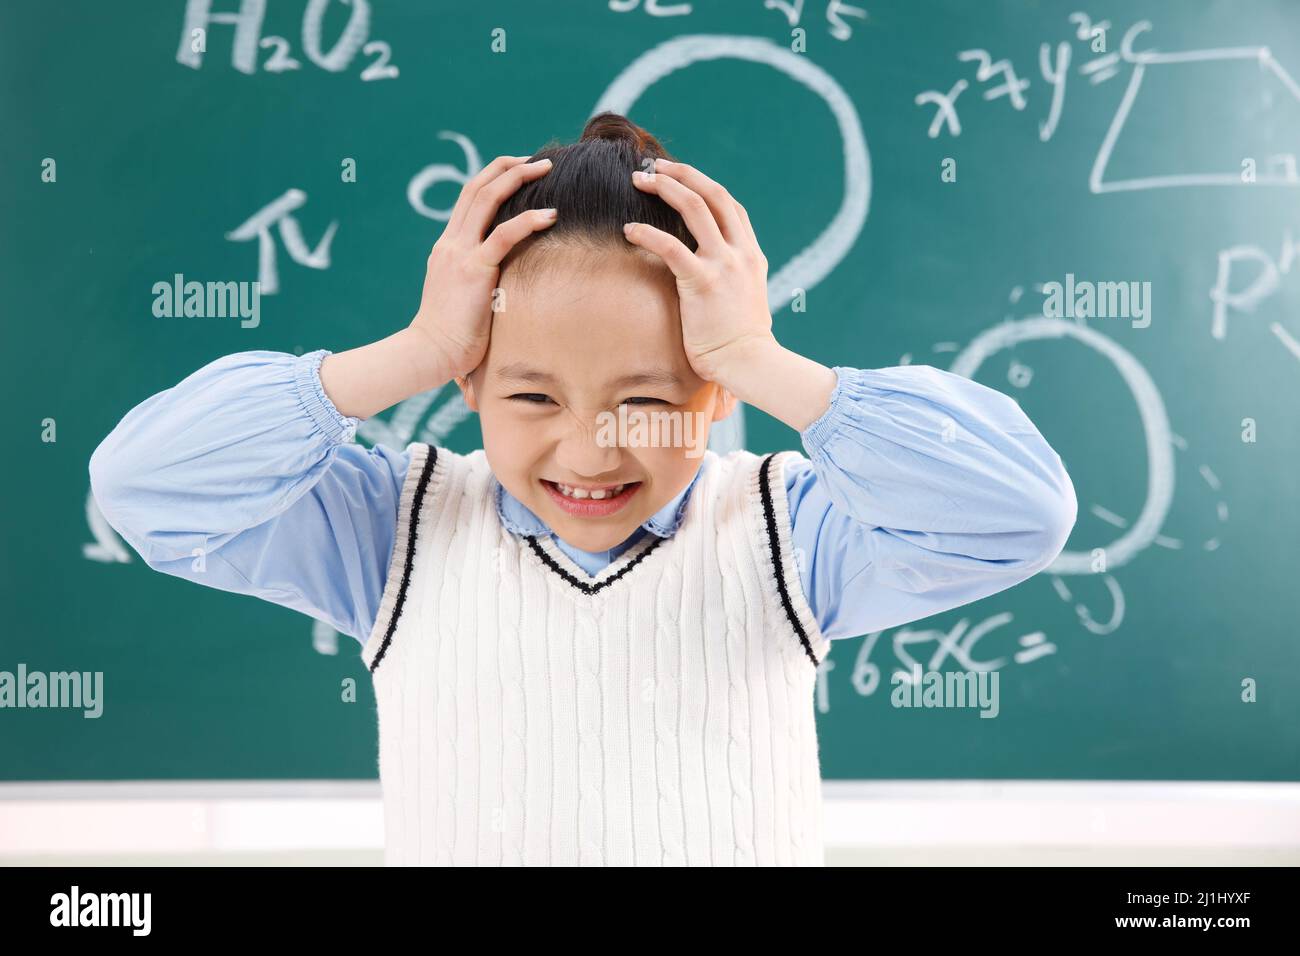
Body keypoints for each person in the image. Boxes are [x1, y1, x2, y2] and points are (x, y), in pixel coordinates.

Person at [89, 111, 1077, 866]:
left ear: (712, 387)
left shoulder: (790, 532)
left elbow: (1018, 513)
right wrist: (418, 347)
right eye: (531, 394)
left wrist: (762, 357)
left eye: (644, 397)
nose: (589, 447)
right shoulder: (390, 531)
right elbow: (143, 483)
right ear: (468, 380)